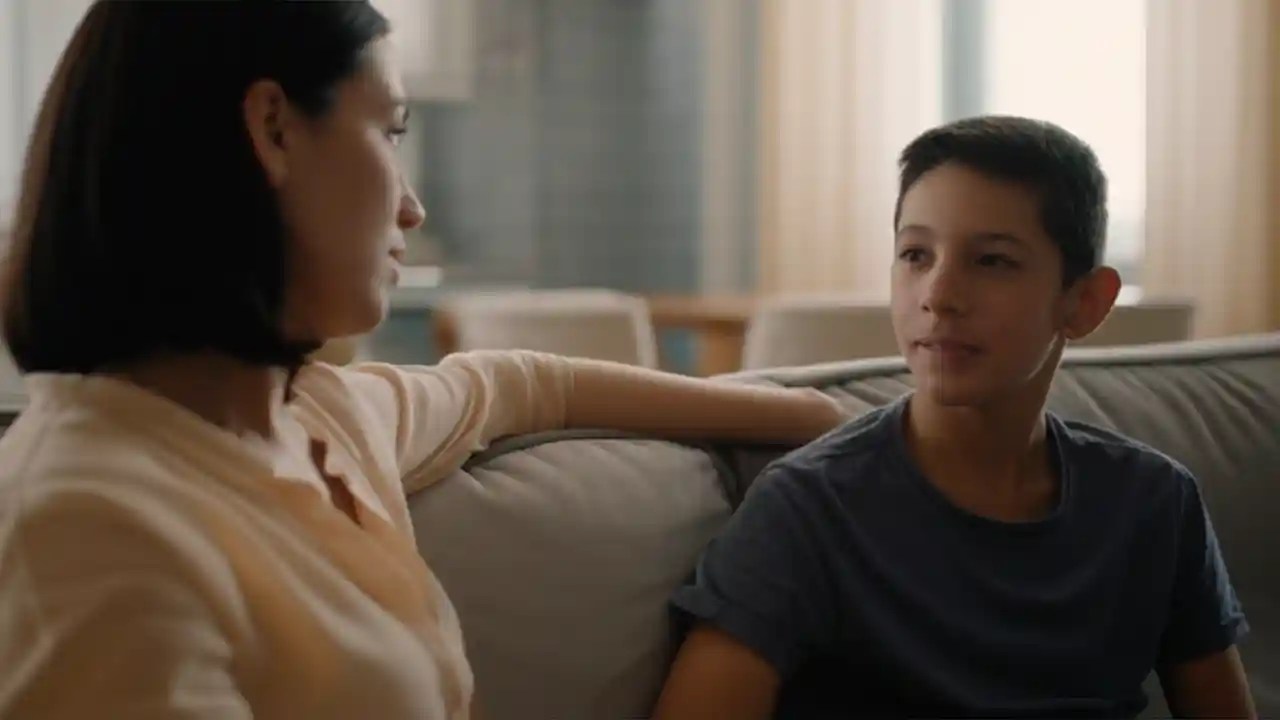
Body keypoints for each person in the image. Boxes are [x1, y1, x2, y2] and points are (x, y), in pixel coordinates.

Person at [0, 3, 847, 719]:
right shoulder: (87, 526)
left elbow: (520, 386)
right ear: (272, 130)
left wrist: (814, 419)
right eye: (391, 131)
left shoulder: (319, 420)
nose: (413, 206)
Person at [653, 116, 1256, 719]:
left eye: (991, 261)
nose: (938, 294)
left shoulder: (1153, 502)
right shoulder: (810, 510)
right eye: (916, 254)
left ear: (1084, 302)